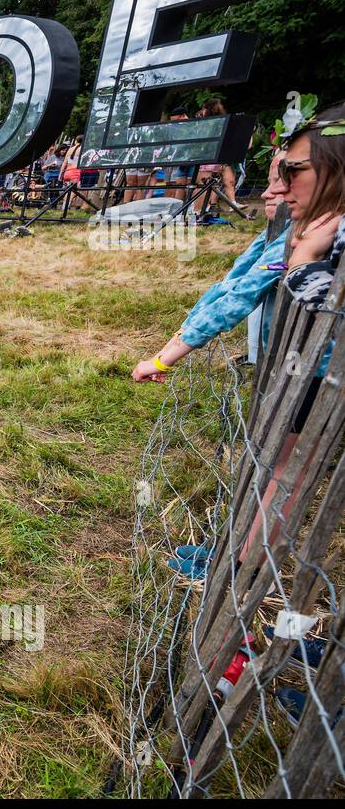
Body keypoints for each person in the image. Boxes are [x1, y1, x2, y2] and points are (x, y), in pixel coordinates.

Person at [133, 100, 345, 577]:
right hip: (293, 366)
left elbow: (252, 295)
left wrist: (167, 356)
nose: (274, 190)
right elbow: (234, 282)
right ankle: (236, 548)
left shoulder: (323, 233)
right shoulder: (298, 226)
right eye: (275, 175)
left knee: (283, 478)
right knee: (270, 468)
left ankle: (241, 564)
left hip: (316, 378)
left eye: (290, 173)